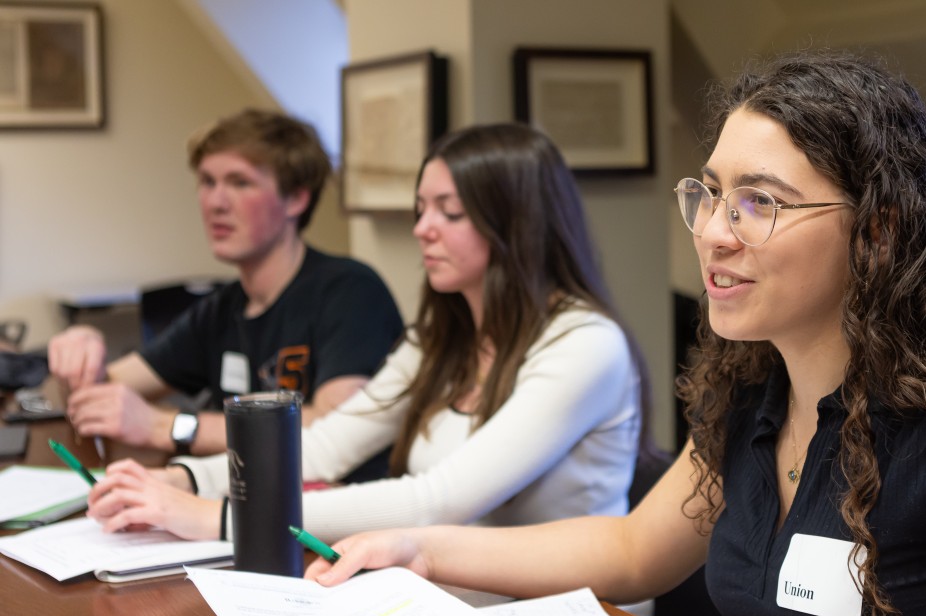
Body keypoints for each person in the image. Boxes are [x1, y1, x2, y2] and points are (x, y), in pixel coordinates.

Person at [303, 51, 926, 616]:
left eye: (760, 201)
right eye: (712, 194)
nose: (715, 232)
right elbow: (631, 549)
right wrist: (419, 548)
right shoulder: (757, 394)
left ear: (877, 232)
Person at [85, 122, 649, 543]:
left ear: (516, 226)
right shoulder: (440, 336)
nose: (421, 228)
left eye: (449, 212)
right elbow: (328, 445)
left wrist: (221, 516)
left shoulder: (585, 344)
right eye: (421, 207)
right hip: (445, 593)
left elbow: (440, 500)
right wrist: (186, 479)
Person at [47, 109, 404, 457]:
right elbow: (101, 395)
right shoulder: (223, 309)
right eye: (207, 182)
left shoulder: (350, 291)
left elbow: (334, 429)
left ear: (296, 198)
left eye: (240, 182)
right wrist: (83, 354)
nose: (216, 203)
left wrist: (166, 426)